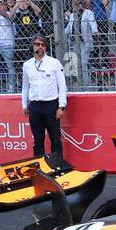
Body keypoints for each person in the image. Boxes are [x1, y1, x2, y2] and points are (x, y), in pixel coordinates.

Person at [21, 35, 68, 164]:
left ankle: (58, 166)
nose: (40, 47)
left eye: (43, 44)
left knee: (55, 139)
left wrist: (61, 106)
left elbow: (62, 86)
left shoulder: (54, 63)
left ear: (46, 47)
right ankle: (40, 168)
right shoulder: (27, 65)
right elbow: (25, 86)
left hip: (51, 106)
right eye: (37, 44)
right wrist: (24, 105)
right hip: (35, 106)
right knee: (38, 141)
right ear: (33, 46)